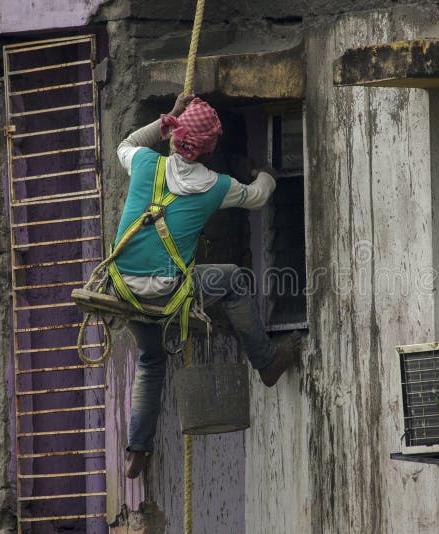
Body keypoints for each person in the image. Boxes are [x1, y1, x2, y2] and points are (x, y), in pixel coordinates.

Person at [114, 95, 301, 479]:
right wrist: (267, 172)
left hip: (123, 290)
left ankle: (137, 450)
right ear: (209, 149)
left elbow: (125, 145)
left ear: (174, 137)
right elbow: (259, 196)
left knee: (151, 360)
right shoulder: (215, 186)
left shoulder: (145, 162)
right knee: (232, 278)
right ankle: (265, 361)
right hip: (167, 292)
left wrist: (164, 123)